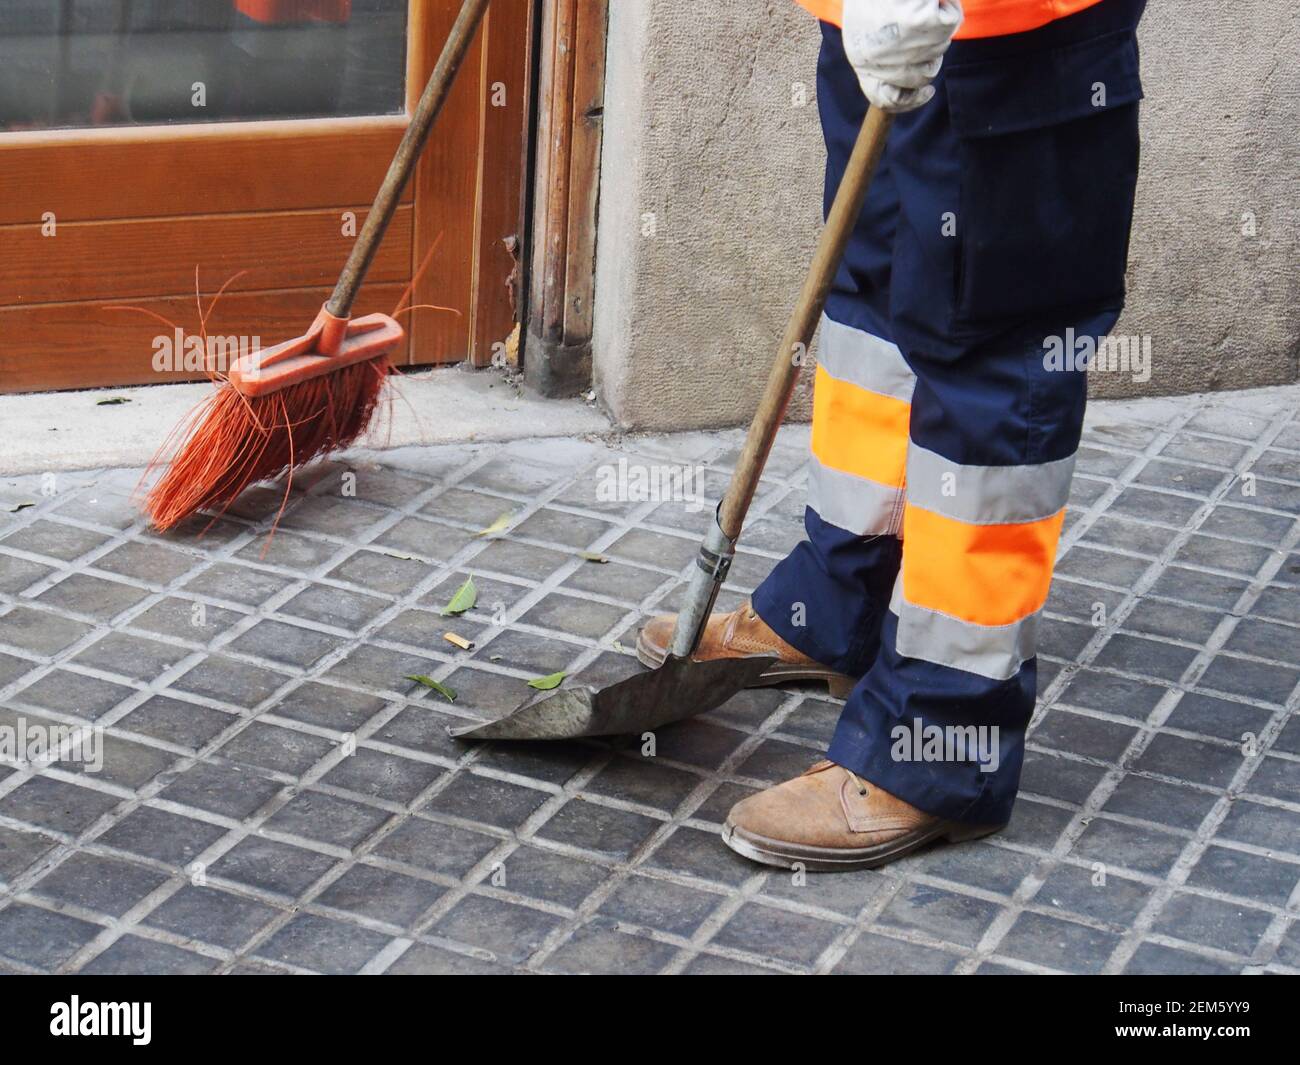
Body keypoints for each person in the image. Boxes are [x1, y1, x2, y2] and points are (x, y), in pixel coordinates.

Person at [638, 0, 1147, 870]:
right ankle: (843, 598)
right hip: (874, 16)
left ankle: (944, 730)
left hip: (1011, 30)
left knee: (991, 346)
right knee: (872, 294)